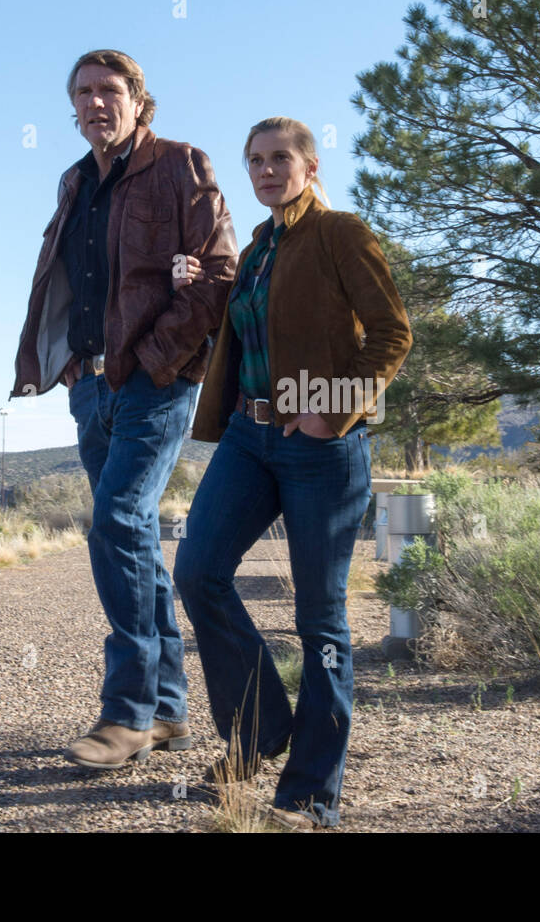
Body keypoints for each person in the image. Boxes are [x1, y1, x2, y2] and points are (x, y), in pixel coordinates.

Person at [173, 116, 412, 829]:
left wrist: (330, 411)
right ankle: (261, 731)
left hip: (322, 449)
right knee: (198, 570)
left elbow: (393, 333)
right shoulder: (257, 248)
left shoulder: (341, 234)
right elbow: (255, 334)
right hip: (249, 438)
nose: (266, 170)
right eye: (255, 161)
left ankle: (308, 798)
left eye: (280, 158)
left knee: (320, 623)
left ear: (309, 166)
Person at [9, 50, 237, 768]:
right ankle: (168, 711)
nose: (95, 103)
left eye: (110, 91)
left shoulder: (181, 165)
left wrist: (153, 357)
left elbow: (218, 274)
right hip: (90, 388)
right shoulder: (75, 182)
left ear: (140, 100)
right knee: (133, 537)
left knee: (117, 519)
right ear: (71, 108)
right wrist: (74, 366)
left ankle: (127, 713)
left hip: (155, 382)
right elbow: (73, 282)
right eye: (83, 93)